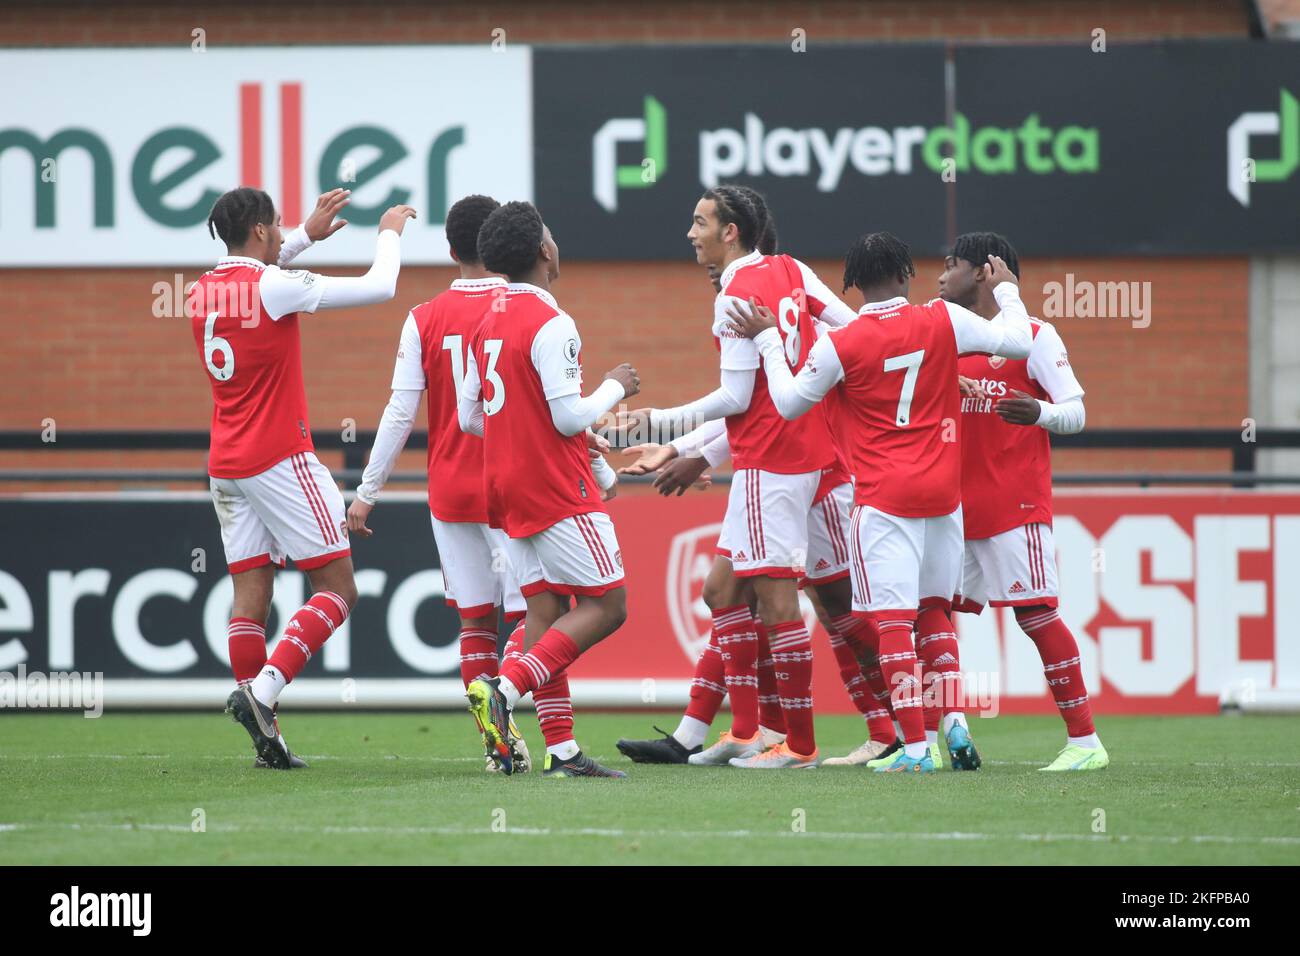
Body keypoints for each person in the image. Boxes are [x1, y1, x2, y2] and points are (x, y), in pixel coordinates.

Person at [726, 232, 1032, 773]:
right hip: (944, 496)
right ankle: (954, 720)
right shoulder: (944, 317)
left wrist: (772, 341)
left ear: (852, 286)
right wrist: (1007, 291)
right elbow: (1017, 344)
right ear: (907, 274)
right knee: (934, 613)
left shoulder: (840, 344)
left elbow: (790, 403)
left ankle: (916, 748)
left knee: (893, 623)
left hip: (884, 499)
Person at [189, 185, 415, 768]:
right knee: (339, 589)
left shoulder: (202, 290)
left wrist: (307, 236)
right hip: (280, 458)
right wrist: (389, 229)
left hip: (226, 466)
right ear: (261, 231)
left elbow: (262, 275)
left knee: (249, 601)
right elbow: (379, 286)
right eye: (280, 225)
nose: (284, 233)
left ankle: (269, 741)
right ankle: (261, 692)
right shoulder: (272, 285)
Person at [347, 194, 534, 773]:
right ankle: (527, 712)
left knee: (475, 621)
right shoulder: (524, 304)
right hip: (514, 487)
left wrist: (366, 491)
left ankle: (494, 746)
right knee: (539, 614)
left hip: (450, 491)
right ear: (499, 243)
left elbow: (400, 413)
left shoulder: (423, 317)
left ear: (451, 250)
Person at [459, 201, 636, 778]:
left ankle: (561, 752)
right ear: (543, 251)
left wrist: (532, 428)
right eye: (552, 236)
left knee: (546, 611)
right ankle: (504, 691)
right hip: (554, 489)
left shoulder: (485, 319)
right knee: (608, 605)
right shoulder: (552, 321)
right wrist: (615, 385)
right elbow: (566, 418)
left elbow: (470, 417)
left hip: (503, 488)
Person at [939, 232, 1107, 771]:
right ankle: (951, 729)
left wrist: (1037, 413)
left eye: (954, 265)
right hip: (950, 509)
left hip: (1014, 507)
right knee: (930, 613)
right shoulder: (949, 336)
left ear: (987, 272)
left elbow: (1076, 412)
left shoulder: (1036, 335)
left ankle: (1085, 743)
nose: (942, 275)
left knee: (1036, 616)